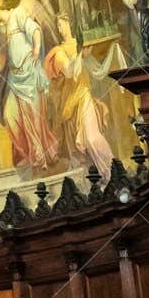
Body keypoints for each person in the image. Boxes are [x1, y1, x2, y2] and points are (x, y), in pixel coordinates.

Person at [0, 0, 58, 173]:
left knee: (33, 118)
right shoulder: (3, 29)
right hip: (15, 79)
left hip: (29, 74)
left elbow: (35, 29)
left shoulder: (17, 13)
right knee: (11, 116)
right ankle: (31, 154)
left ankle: (40, 157)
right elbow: (3, 60)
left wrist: (37, 48)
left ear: (1, 7)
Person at [45, 18, 114, 178]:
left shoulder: (82, 43)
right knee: (78, 153)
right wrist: (80, 55)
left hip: (83, 96)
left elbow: (94, 67)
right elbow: (69, 72)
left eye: (61, 24)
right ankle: (97, 181)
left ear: (69, 23)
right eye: (57, 26)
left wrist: (107, 48)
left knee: (91, 138)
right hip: (68, 104)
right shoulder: (58, 52)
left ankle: (112, 171)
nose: (59, 28)